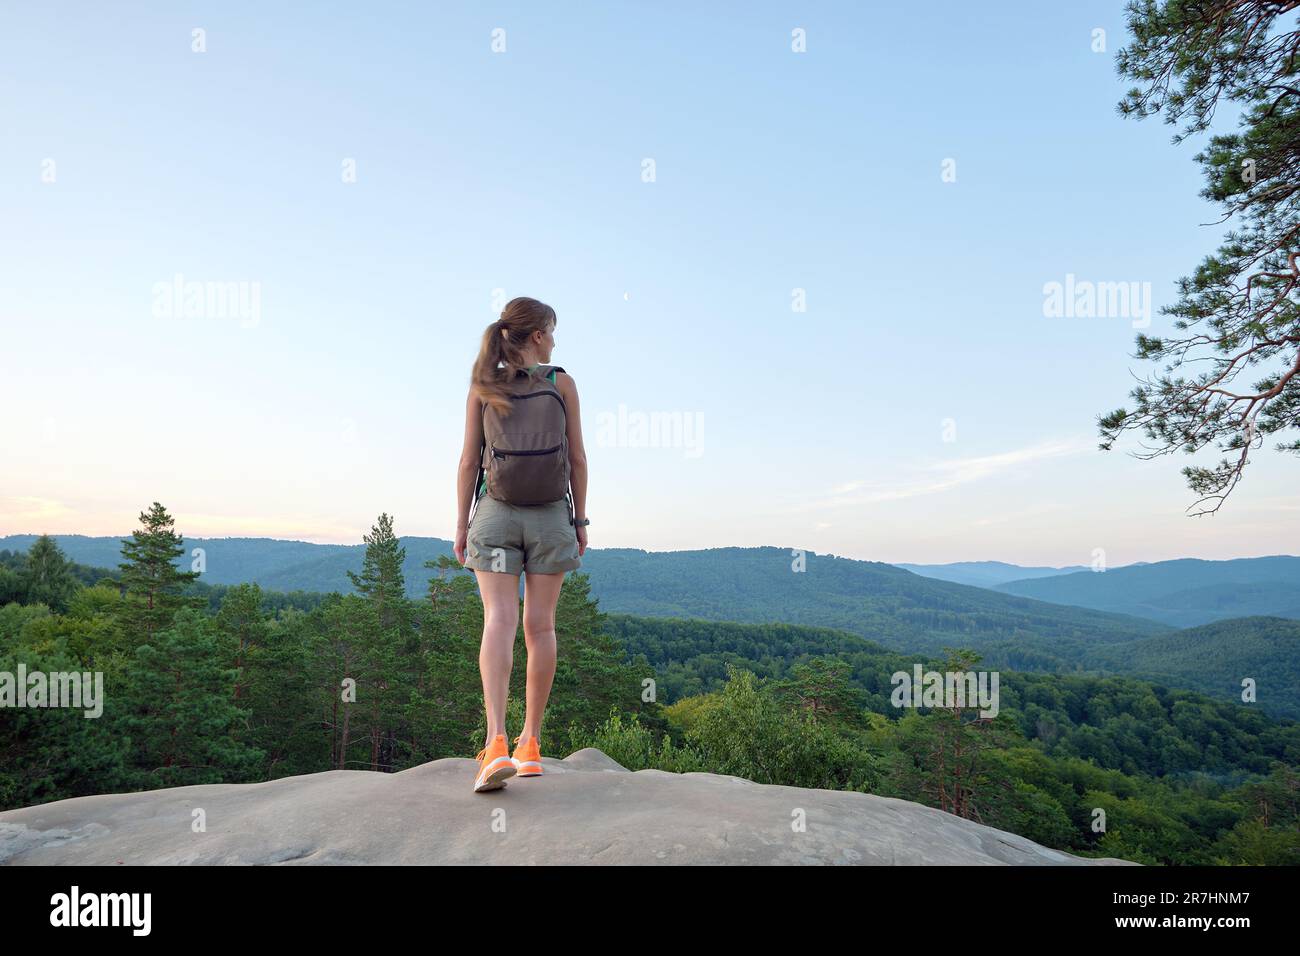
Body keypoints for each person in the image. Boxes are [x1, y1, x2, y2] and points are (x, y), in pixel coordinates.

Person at [454, 296, 589, 792]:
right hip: (552, 513)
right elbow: (577, 459)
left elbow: (469, 463)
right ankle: (530, 744)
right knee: (541, 625)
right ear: (537, 337)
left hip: (494, 513)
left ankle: (495, 742)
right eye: (551, 332)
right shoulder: (562, 383)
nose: (554, 340)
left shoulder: (483, 387)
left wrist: (463, 525)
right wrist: (578, 518)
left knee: (499, 620)